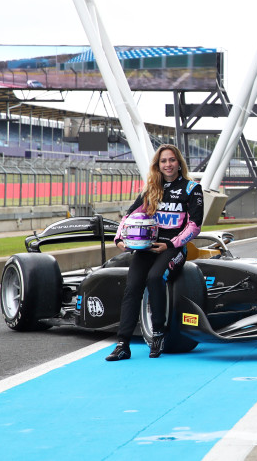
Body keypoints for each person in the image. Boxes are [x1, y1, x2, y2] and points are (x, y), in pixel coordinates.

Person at [105, 144, 204, 361]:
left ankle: (158, 331)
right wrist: (120, 238)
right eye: (163, 161)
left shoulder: (192, 189)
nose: (168, 164)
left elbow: (195, 225)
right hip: (148, 247)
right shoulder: (151, 189)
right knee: (132, 287)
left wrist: (171, 244)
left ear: (179, 163)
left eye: (172, 160)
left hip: (174, 248)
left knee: (155, 277)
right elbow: (129, 216)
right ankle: (123, 344)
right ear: (158, 165)